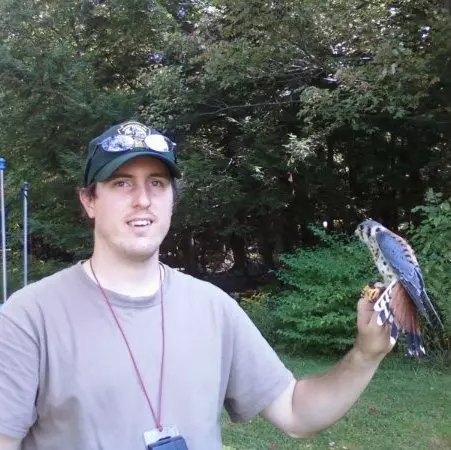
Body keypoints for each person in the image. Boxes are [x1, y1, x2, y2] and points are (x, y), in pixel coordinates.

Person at [0, 120, 394, 450]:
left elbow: (295, 413)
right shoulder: (28, 318)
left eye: (156, 183)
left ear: (172, 198)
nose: (142, 199)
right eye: (121, 183)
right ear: (89, 200)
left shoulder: (214, 308)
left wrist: (365, 353)